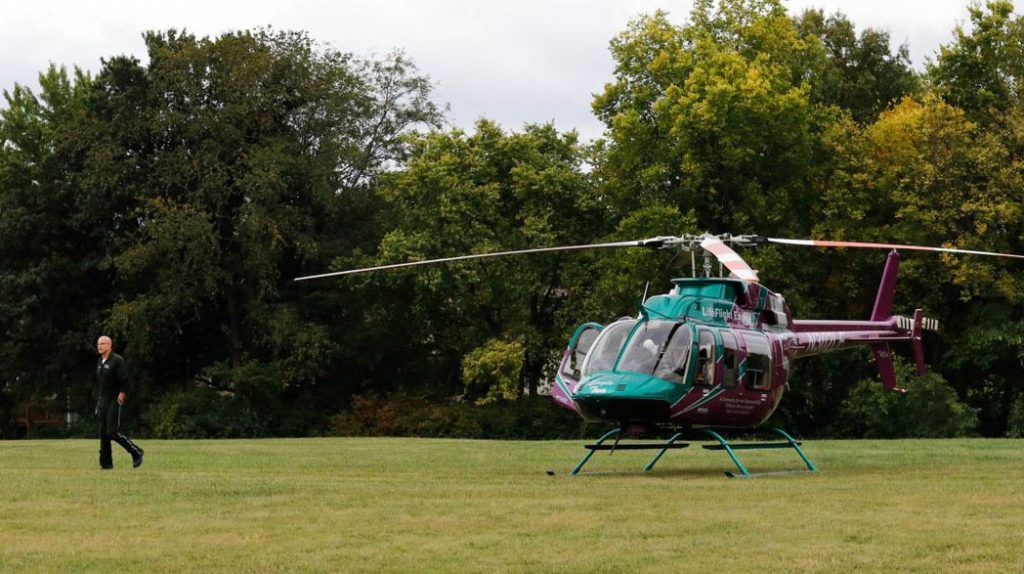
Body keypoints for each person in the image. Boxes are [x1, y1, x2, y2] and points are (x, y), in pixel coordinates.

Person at [95, 336, 143, 469]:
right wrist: (98, 403)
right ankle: (106, 464)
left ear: (109, 345)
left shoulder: (117, 360)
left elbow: (125, 381)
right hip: (102, 401)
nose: (100, 346)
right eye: (98, 344)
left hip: (114, 400)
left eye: (103, 343)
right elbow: (101, 385)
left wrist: (122, 393)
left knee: (112, 431)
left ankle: (136, 452)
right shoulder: (100, 362)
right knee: (103, 433)